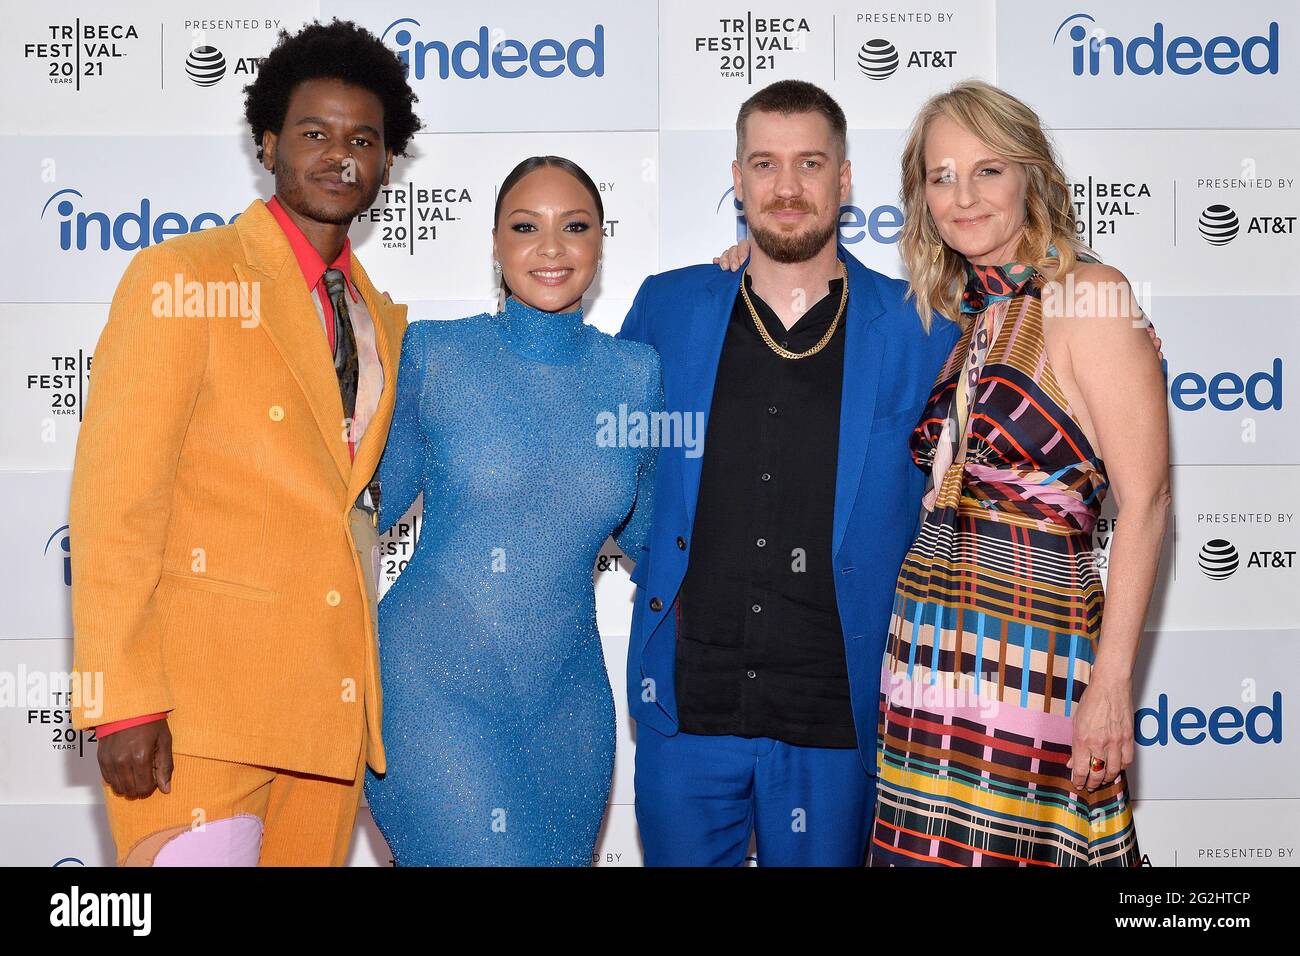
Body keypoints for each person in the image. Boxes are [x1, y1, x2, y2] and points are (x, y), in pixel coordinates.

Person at [68, 19, 420, 866]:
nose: (338, 156)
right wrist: (119, 702)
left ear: (385, 163)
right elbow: (117, 500)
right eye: (313, 133)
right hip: (199, 718)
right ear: (268, 144)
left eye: (362, 140)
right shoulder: (182, 278)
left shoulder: (384, 321)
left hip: (326, 728)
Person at [617, 80, 959, 866]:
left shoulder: (921, 326)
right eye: (765, 164)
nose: (787, 187)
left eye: (811, 163)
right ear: (737, 180)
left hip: (838, 716)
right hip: (686, 709)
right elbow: (617, 461)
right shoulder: (670, 308)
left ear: (844, 181)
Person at [865, 80, 1169, 866]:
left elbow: (1147, 502)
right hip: (929, 652)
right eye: (941, 176)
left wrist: (1111, 684)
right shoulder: (973, 315)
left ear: (1032, 176)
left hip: (1034, 651)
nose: (963, 196)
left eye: (988, 170)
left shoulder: (1091, 297)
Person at [363, 156, 662, 866]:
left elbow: (652, 536)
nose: (551, 248)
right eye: (525, 227)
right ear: (495, 245)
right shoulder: (436, 354)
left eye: (575, 226)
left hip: (568, 705)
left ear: (599, 244)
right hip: (431, 682)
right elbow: (367, 507)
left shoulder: (635, 373)